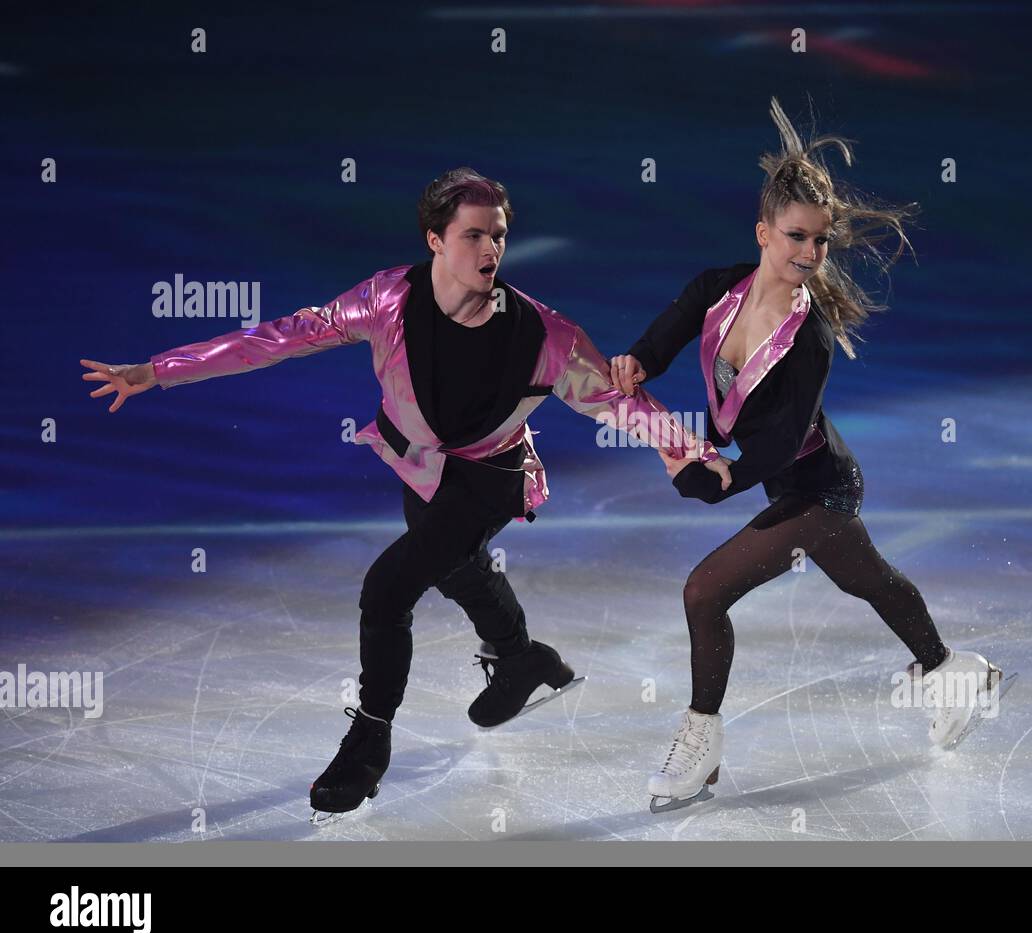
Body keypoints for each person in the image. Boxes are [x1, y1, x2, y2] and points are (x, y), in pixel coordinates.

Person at [81, 167, 731, 824]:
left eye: (498, 236)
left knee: (390, 586)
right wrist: (157, 371)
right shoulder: (385, 300)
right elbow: (279, 337)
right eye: (472, 235)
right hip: (420, 470)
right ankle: (521, 660)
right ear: (435, 240)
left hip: (488, 482)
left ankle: (367, 745)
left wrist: (691, 449)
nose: (489, 251)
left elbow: (619, 402)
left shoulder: (543, 336)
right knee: (456, 569)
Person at [609, 99, 1003, 812]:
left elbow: (781, 441)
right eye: (796, 237)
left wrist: (718, 476)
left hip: (818, 488)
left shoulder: (810, 335)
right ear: (763, 232)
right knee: (870, 581)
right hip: (787, 488)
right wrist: (636, 362)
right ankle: (953, 671)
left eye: (820, 243)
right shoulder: (714, 290)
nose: (810, 255)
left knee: (705, 591)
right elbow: (664, 337)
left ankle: (701, 741)